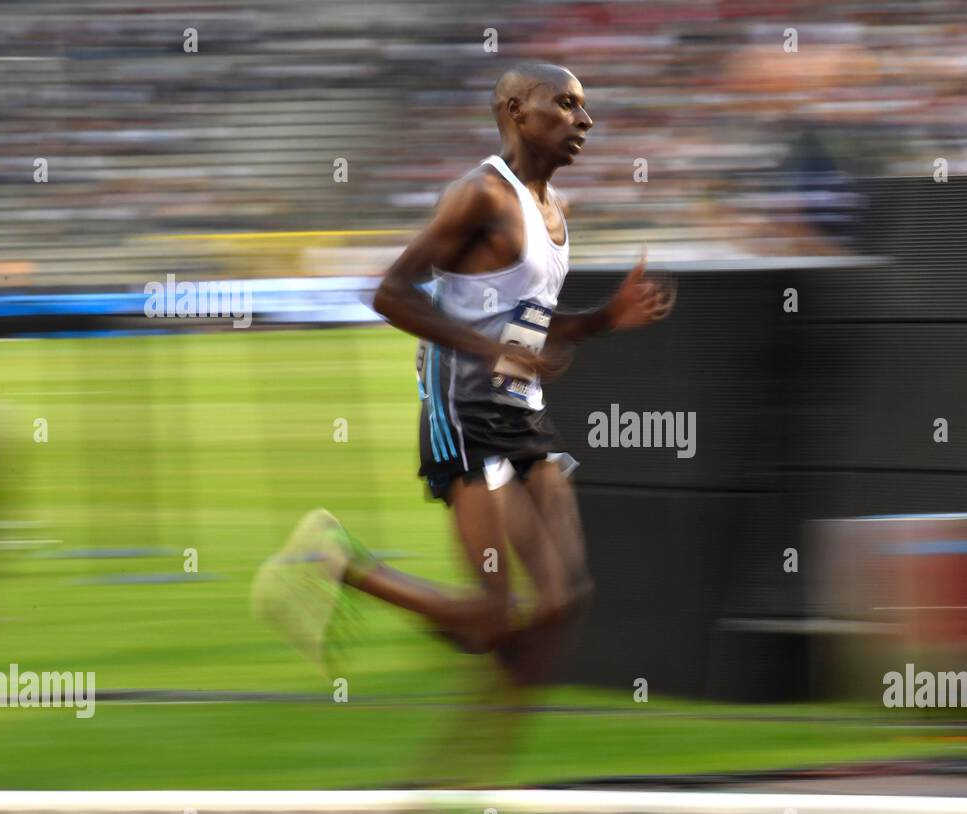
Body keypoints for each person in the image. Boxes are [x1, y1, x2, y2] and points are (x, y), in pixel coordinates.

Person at [252, 62, 675, 713]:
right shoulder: (481, 194)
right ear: (516, 111)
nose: (585, 120)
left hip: (519, 408)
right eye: (565, 104)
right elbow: (389, 294)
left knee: (563, 598)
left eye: (584, 106)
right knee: (495, 616)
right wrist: (491, 349)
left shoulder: (555, 210)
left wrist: (602, 319)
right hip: (464, 406)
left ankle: (475, 718)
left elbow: (528, 323)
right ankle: (337, 563)